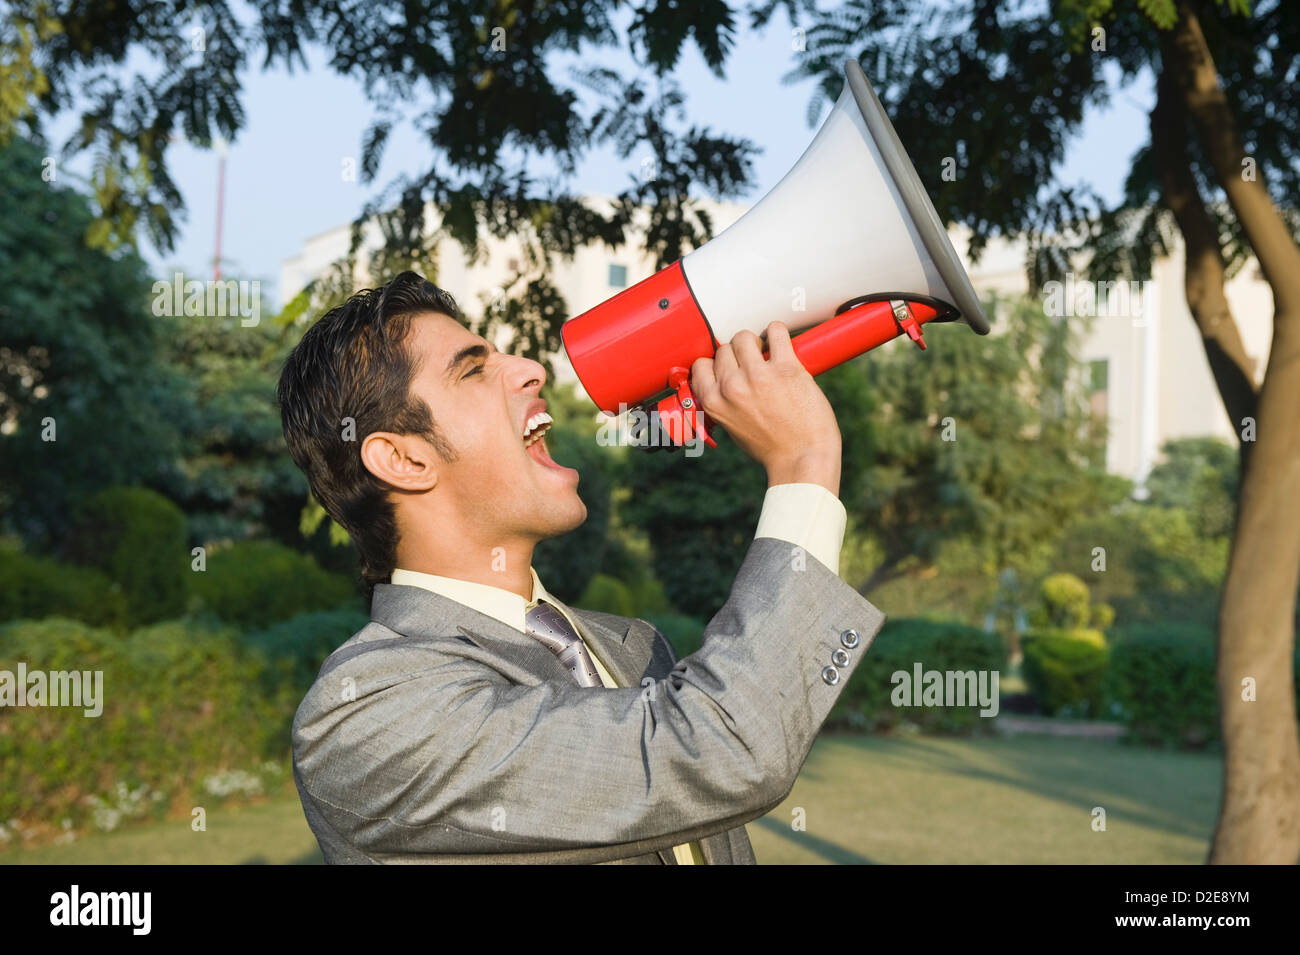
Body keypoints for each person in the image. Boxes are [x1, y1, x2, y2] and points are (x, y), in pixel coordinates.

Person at [277, 270, 886, 864]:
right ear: (403, 460)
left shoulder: (636, 647)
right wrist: (804, 461)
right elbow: (723, 749)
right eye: (473, 369)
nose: (529, 369)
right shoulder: (364, 716)